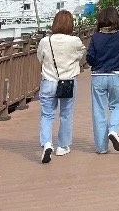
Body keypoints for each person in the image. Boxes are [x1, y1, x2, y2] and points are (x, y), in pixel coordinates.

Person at [86, 7, 119, 154]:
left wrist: (97, 63)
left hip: (98, 76)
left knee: (99, 110)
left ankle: (101, 148)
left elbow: (89, 58)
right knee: (118, 105)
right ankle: (114, 130)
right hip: (117, 75)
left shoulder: (96, 37)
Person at [37, 10, 85, 163]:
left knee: (47, 115)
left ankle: (47, 143)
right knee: (65, 114)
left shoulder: (45, 41)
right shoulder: (75, 41)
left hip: (48, 81)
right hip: (68, 81)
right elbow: (81, 55)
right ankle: (62, 146)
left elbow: (40, 58)